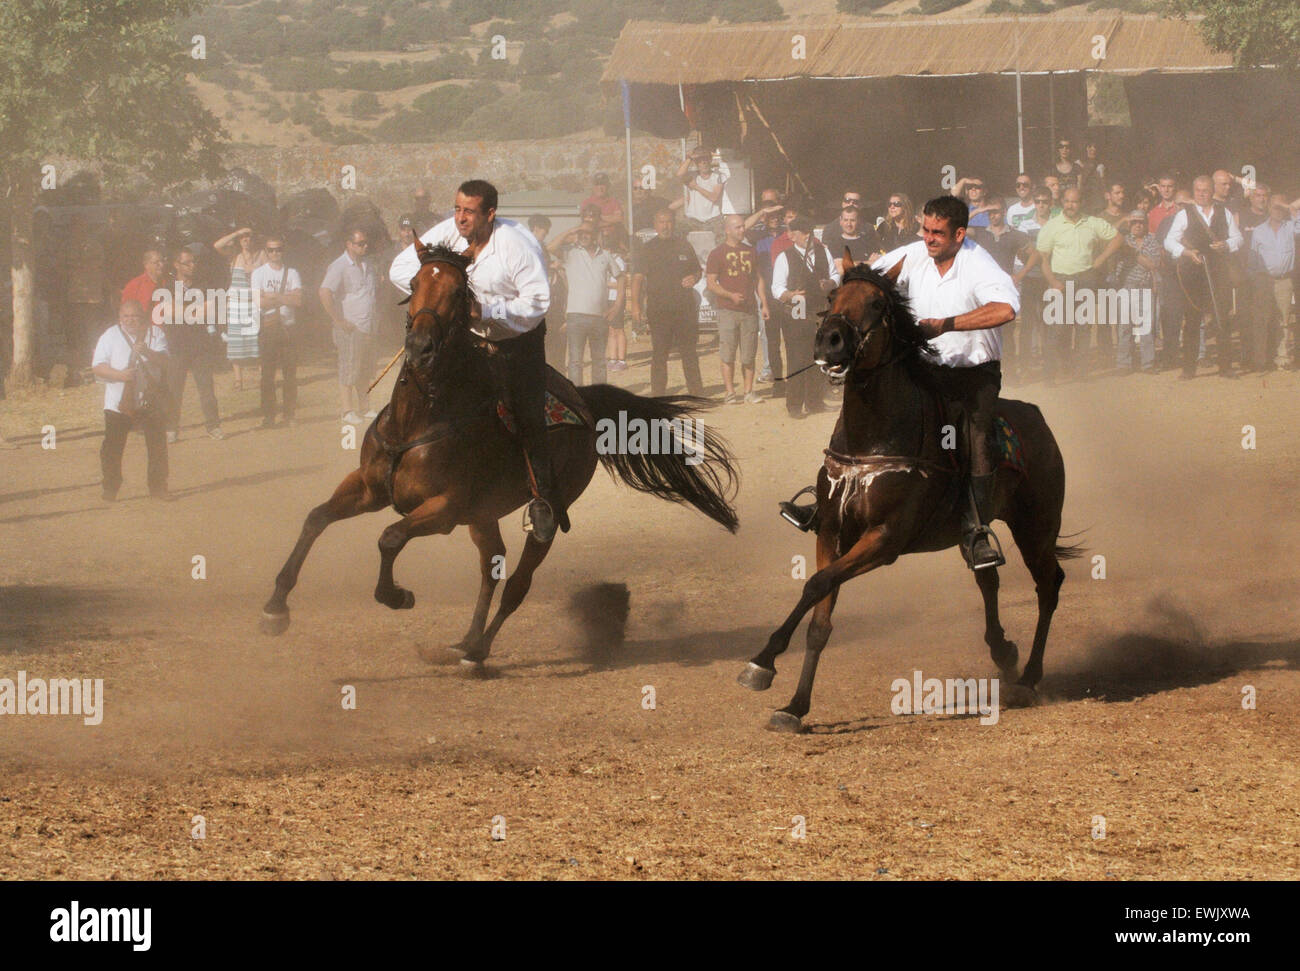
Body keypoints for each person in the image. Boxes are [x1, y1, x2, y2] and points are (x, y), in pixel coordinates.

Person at [388, 180, 560, 542]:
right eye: (457, 209)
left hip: (516, 342)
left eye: (468, 212)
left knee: (528, 411)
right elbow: (400, 269)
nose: (460, 218)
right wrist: (435, 296)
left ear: (490, 214)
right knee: (418, 381)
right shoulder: (450, 231)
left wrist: (484, 310)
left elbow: (538, 302)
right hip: (466, 340)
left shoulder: (518, 244)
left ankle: (541, 499)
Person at [872, 195, 1019, 570]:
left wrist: (946, 323)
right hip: (925, 371)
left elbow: (1005, 309)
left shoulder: (978, 263)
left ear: (959, 233)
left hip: (973, 378)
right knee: (876, 412)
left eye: (938, 233)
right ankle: (837, 500)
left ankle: (975, 528)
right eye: (925, 229)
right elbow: (872, 274)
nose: (928, 238)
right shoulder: (916, 253)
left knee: (972, 438)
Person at [1023, 187, 1123, 379]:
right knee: (1057, 328)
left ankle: (1080, 373)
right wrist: (1052, 281)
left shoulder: (1092, 223)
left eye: (1074, 202)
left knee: (1083, 328)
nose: (1070, 205)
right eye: (1067, 201)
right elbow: (1042, 258)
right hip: (1061, 281)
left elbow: (1118, 238)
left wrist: (1101, 259)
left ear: (1081, 203)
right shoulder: (1051, 226)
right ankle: (1051, 374)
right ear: (1062, 202)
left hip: (1085, 279)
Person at [1164, 175, 1244, 378]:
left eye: (1205, 190)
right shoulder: (1185, 214)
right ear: (1193, 191)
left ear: (1212, 191)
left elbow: (1238, 238)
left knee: (1221, 318)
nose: (1201, 194)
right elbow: (1169, 241)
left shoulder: (1223, 211)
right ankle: (1189, 369)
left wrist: (1227, 245)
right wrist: (1186, 252)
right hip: (1194, 273)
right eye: (1198, 190)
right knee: (1192, 320)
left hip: (1219, 272)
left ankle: (1225, 368)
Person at [92, 300, 170, 501]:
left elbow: (166, 362)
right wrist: (121, 376)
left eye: (134, 316)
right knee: (112, 448)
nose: (129, 320)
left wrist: (147, 352)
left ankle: (158, 488)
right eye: (125, 316)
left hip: (149, 400)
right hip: (118, 402)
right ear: (119, 317)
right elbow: (98, 366)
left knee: (157, 447)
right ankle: (110, 488)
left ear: (142, 316)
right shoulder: (110, 336)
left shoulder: (156, 334)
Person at [771, 215, 840, 418]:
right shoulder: (785, 256)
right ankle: (794, 405)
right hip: (796, 309)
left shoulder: (823, 251)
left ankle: (814, 402)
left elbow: (835, 275)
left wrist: (830, 283)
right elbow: (776, 287)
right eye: (802, 233)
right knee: (796, 358)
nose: (806, 236)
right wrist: (790, 295)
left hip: (819, 309)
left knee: (818, 357)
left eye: (808, 232)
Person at [630, 208, 704, 398]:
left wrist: (694, 278)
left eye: (669, 221)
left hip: (684, 309)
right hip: (659, 310)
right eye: (662, 222)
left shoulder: (684, 245)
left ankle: (696, 393)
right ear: (655, 224)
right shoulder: (647, 249)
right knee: (660, 354)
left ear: (674, 223)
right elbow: (637, 278)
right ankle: (659, 394)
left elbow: (697, 270)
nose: (666, 226)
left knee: (689, 352)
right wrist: (636, 305)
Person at [706, 214, 769, 404]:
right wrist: (729, 295)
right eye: (737, 227)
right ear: (727, 230)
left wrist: (764, 303)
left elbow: (758, 279)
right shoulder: (717, 253)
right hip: (727, 310)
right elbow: (711, 283)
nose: (742, 230)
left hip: (749, 309)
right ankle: (730, 392)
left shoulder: (751, 251)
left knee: (748, 353)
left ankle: (748, 391)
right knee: (728, 353)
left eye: (743, 227)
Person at [163, 248, 224, 442]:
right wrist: (195, 310)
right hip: (177, 345)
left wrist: (182, 310)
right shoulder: (167, 286)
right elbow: (169, 312)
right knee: (174, 391)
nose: (192, 266)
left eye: (193, 262)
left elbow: (209, 311)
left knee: (206, 389)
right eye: (187, 262)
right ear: (176, 265)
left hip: (200, 345)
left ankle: (213, 426)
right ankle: (171, 428)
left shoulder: (203, 285)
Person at [321, 229, 379, 424]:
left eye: (365, 243)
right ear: (349, 244)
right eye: (360, 243)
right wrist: (339, 321)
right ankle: (347, 411)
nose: (365, 246)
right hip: (350, 326)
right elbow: (324, 292)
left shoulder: (368, 264)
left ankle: (364, 407)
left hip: (367, 325)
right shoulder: (339, 266)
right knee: (348, 368)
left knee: (364, 368)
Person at [970, 199, 1032, 375]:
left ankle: (1011, 372)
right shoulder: (980, 233)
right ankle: (987, 372)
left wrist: (1019, 275)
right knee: (983, 332)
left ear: (1004, 212)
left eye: (996, 212)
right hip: (983, 289)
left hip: (1004, 289)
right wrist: (982, 208)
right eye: (990, 213)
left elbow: (1034, 255)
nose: (993, 215)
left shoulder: (1014, 234)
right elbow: (957, 227)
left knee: (1007, 331)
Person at [559, 221, 620, 386]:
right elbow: (551, 247)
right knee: (575, 362)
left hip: (600, 318)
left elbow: (621, 277)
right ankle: (577, 399)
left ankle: (598, 399)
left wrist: (617, 305)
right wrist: (572, 229)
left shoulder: (605, 255)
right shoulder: (570, 254)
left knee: (599, 361)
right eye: (581, 233)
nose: (583, 236)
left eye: (587, 233)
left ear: (594, 236)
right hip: (575, 316)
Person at [251, 235, 303, 428]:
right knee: (267, 374)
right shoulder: (258, 273)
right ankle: (269, 415)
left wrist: (273, 296)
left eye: (278, 249)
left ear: (283, 250)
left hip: (288, 327)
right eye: (271, 250)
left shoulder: (292, 273)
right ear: (266, 252)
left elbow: (298, 301)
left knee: (290, 373)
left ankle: (289, 414)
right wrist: (285, 297)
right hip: (269, 327)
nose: (275, 253)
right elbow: (259, 302)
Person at [1246, 194, 1299, 372]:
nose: (1278, 211)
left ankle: (1282, 357)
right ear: (1268, 208)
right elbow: (1253, 258)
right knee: (1264, 320)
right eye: (1275, 207)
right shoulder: (1258, 231)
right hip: (1264, 281)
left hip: (1284, 281)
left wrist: (1290, 208)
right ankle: (1264, 359)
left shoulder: (1292, 227)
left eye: (1281, 208)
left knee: (1283, 320)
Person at [214, 227, 266, 391]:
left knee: (257, 340)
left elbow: (268, 274)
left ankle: (263, 377)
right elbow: (217, 246)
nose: (246, 240)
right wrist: (236, 233)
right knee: (235, 342)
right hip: (236, 304)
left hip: (255, 303)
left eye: (248, 236)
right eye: (243, 237)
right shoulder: (234, 255)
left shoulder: (262, 255)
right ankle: (238, 380)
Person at [1111, 212, 1161, 373]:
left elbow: (1153, 264)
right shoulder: (1122, 240)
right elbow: (1106, 236)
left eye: (1141, 222)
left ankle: (1148, 364)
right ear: (1129, 224)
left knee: (1147, 328)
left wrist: (1132, 253)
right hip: (1125, 287)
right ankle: (1124, 364)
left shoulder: (1152, 240)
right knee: (1124, 328)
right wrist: (1122, 220)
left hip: (1144, 287)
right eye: (1134, 223)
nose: (1138, 225)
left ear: (1146, 224)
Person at [677, 145, 728, 241]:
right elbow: (679, 174)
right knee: (678, 232)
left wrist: (696, 187)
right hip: (693, 218)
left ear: (710, 161)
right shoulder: (692, 175)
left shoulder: (718, 176)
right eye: (700, 161)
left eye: (706, 160)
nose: (703, 163)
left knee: (723, 237)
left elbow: (714, 197)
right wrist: (690, 158)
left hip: (713, 219)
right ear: (697, 163)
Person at [600, 222, 631, 373]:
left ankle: (622, 359)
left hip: (616, 298)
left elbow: (622, 282)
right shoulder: (602, 260)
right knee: (611, 329)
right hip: (606, 299)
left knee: (619, 329)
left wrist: (603, 283)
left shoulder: (618, 260)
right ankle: (613, 358)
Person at [820, 205, 882, 273]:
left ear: (858, 221)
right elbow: (840, 270)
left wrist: (853, 263)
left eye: (852, 220)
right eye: (846, 220)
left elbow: (879, 264)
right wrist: (867, 262)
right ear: (840, 221)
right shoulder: (834, 244)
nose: (849, 224)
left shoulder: (868, 241)